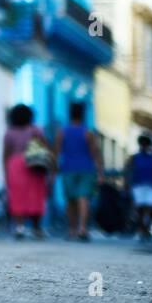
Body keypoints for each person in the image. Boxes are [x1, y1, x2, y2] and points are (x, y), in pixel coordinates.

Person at [54, 101, 103, 241]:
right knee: (83, 198)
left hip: (68, 169)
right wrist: (100, 172)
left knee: (70, 200)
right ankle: (83, 227)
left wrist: (53, 171)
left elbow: (56, 152)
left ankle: (72, 229)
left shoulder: (62, 132)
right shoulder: (88, 132)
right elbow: (95, 153)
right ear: (83, 115)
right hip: (86, 169)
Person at [2, 103, 48, 239]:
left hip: (15, 165)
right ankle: (36, 227)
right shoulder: (36, 130)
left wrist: (5, 171)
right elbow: (44, 147)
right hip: (33, 163)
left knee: (18, 196)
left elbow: (6, 154)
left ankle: (19, 226)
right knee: (35, 195)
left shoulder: (9, 132)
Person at [124, 135, 152, 240]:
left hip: (150, 185)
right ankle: (142, 229)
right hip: (138, 185)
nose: (144, 146)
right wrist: (126, 183)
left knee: (150, 208)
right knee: (140, 209)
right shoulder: (134, 157)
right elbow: (127, 170)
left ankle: (146, 228)